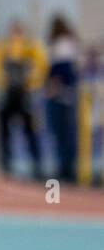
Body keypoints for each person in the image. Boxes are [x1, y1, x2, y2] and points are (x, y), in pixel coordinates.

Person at [0, 20, 48, 180]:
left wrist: (31, 81)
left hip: (23, 95)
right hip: (8, 95)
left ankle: (36, 164)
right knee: (5, 131)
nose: (16, 34)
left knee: (29, 131)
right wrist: (2, 80)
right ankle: (7, 164)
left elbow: (42, 64)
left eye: (18, 30)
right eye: (14, 30)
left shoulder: (30, 46)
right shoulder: (2, 46)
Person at [44, 14, 80, 182]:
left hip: (61, 95)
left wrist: (53, 89)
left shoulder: (62, 44)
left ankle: (67, 169)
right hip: (65, 94)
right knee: (64, 134)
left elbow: (62, 72)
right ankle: (66, 167)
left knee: (63, 133)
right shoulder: (67, 43)